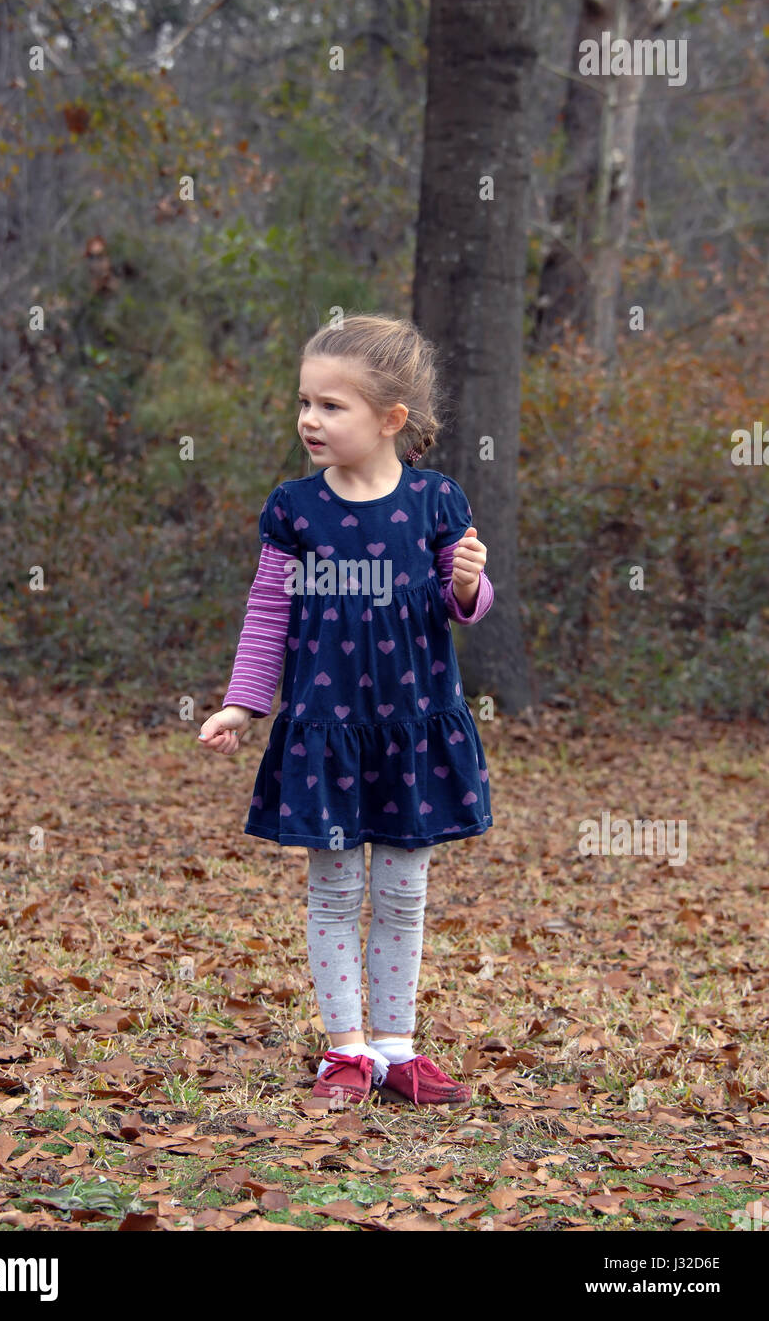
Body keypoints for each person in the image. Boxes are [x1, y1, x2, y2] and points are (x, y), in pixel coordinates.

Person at [199, 313, 494, 1108]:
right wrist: (241, 704)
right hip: (325, 734)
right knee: (332, 894)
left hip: (414, 730)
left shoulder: (437, 502)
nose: (309, 419)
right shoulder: (295, 509)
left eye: (332, 406)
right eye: (305, 401)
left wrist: (468, 584)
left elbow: (454, 604)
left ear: (390, 420)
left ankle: (397, 1050)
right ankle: (346, 1053)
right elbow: (268, 614)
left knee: (402, 895)